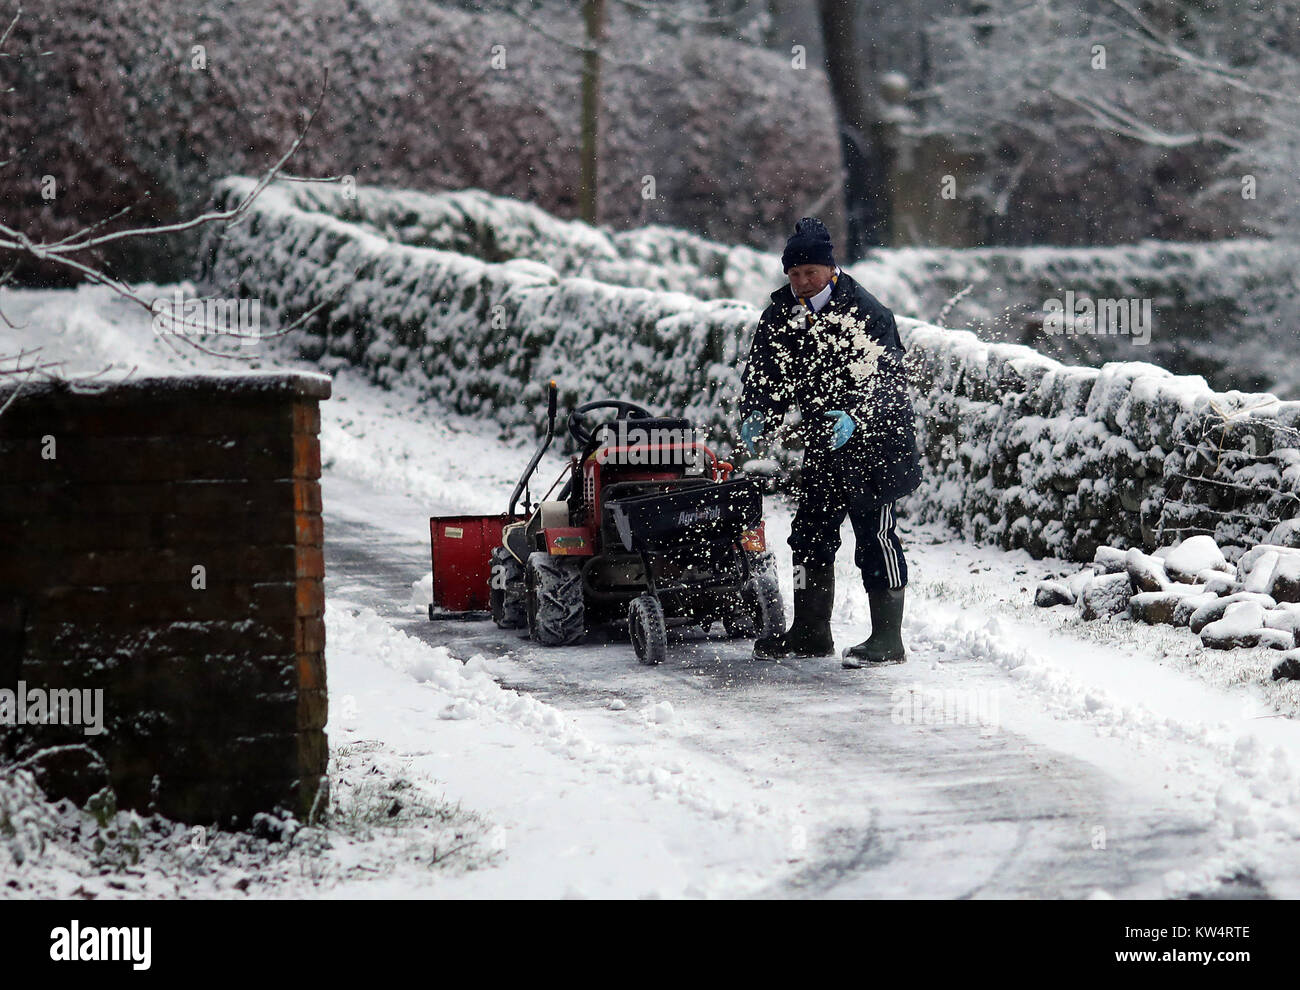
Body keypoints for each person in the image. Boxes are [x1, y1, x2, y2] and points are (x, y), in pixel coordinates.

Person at [738, 217, 921, 665]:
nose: (802, 282)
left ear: (830, 269)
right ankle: (810, 632)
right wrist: (758, 411)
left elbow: (889, 380)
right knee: (808, 536)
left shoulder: (867, 311)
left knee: (875, 539)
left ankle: (888, 640)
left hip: (876, 445)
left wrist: (857, 416)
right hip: (825, 446)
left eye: (810, 273)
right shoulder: (781, 314)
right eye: (794, 274)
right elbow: (765, 373)